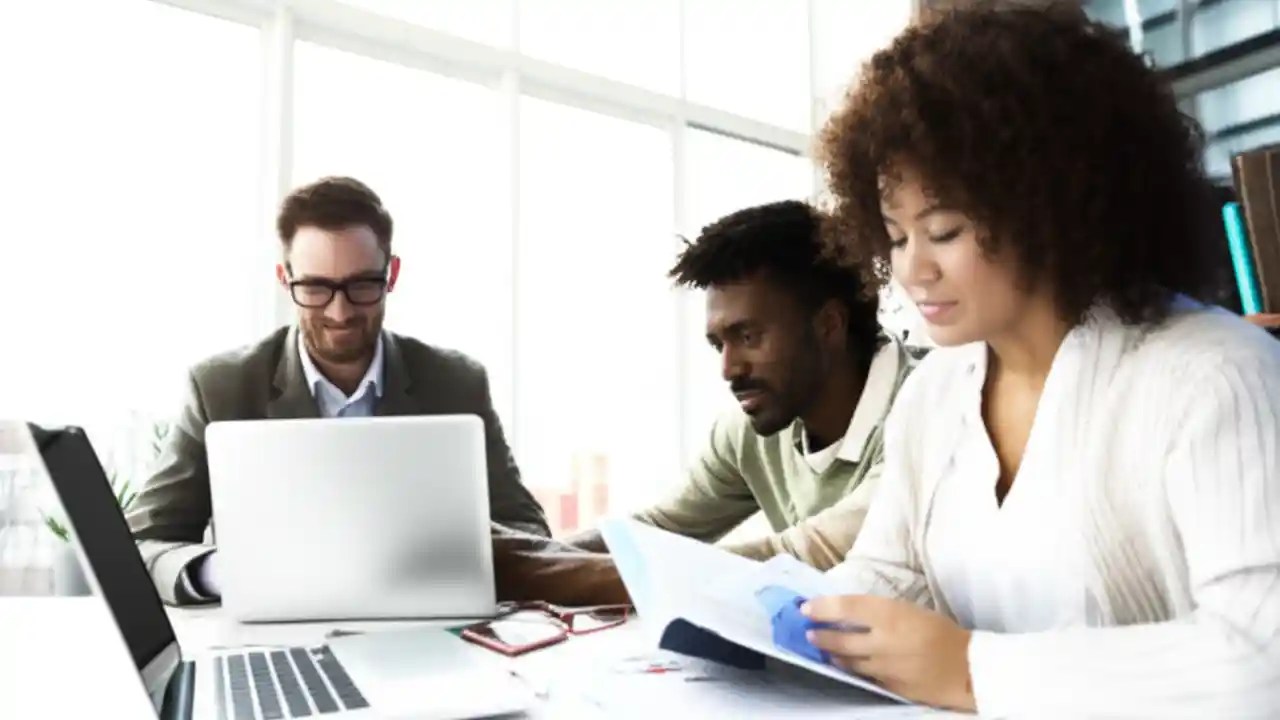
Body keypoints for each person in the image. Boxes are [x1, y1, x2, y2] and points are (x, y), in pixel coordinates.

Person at [799, 3, 1280, 716]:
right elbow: (890, 572)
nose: (912, 270)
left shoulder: (1217, 376)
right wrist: (772, 618)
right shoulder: (935, 394)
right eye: (896, 237)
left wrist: (972, 672)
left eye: (944, 230)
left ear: (1050, 207)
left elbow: (1262, 658)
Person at [127, 176, 549, 606]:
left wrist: (449, 555)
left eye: (362, 285)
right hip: (270, 633)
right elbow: (142, 545)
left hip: (425, 627)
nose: (339, 311)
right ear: (283, 277)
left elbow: (529, 534)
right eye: (315, 288)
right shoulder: (220, 388)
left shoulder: (456, 382)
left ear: (392, 274)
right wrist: (221, 572)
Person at [494, 200, 916, 602]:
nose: (729, 369)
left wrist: (528, 569)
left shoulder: (929, 409)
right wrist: (529, 554)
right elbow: (657, 530)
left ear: (829, 324)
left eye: (748, 337)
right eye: (719, 344)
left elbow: (805, 558)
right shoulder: (753, 428)